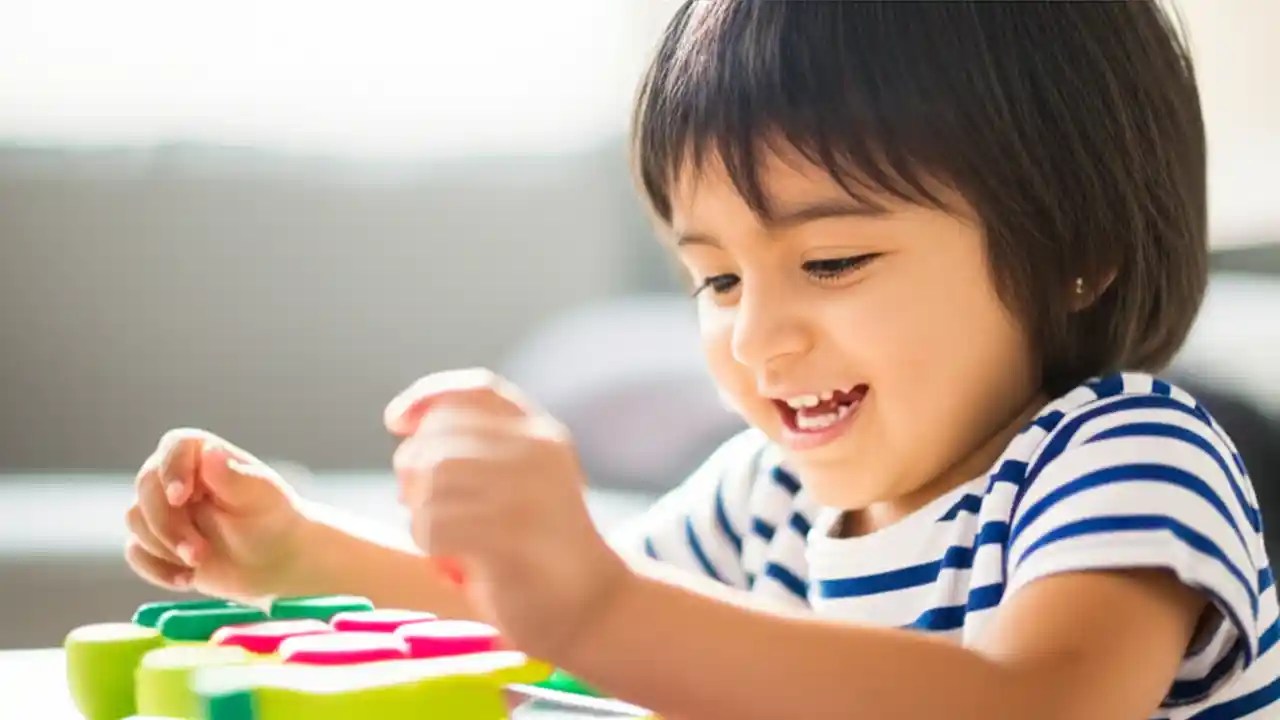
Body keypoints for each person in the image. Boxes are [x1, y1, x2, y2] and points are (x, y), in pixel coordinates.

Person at [123, 3, 1279, 717]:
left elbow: (1034, 708)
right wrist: (293, 551)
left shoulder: (1126, 455)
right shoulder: (764, 499)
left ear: (1076, 252)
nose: (755, 337)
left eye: (830, 262)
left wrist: (600, 609)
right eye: (716, 279)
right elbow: (548, 615)